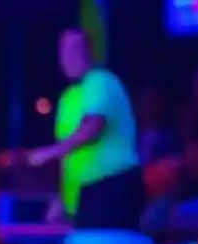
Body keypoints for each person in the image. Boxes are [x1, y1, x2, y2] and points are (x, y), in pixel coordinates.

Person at [30, 28, 142, 230]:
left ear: (89, 52)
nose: (69, 57)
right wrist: (60, 200)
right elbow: (67, 157)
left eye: (75, 49)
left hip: (111, 189)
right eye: (64, 50)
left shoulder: (101, 81)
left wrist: (52, 152)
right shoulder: (68, 98)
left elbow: (93, 127)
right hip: (82, 200)